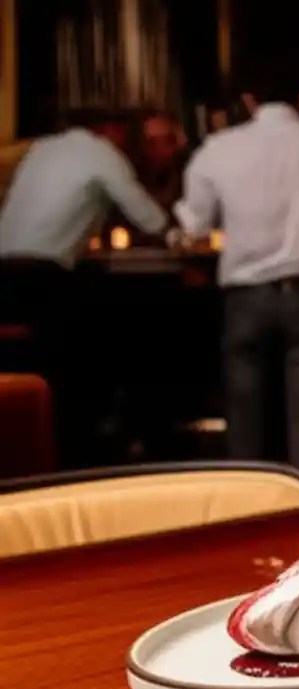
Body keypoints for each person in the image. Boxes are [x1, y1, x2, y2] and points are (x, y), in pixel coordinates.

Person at [173, 62, 299, 475]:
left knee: (245, 415)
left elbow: (194, 227)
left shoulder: (218, 149)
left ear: (248, 100)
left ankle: (250, 509)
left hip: (246, 295)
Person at [0, 120, 170, 464]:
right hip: (42, 279)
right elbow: (151, 220)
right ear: (112, 131)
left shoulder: (42, 149)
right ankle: (86, 446)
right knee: (101, 345)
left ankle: (38, 445)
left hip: (5, 276)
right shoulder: (103, 154)